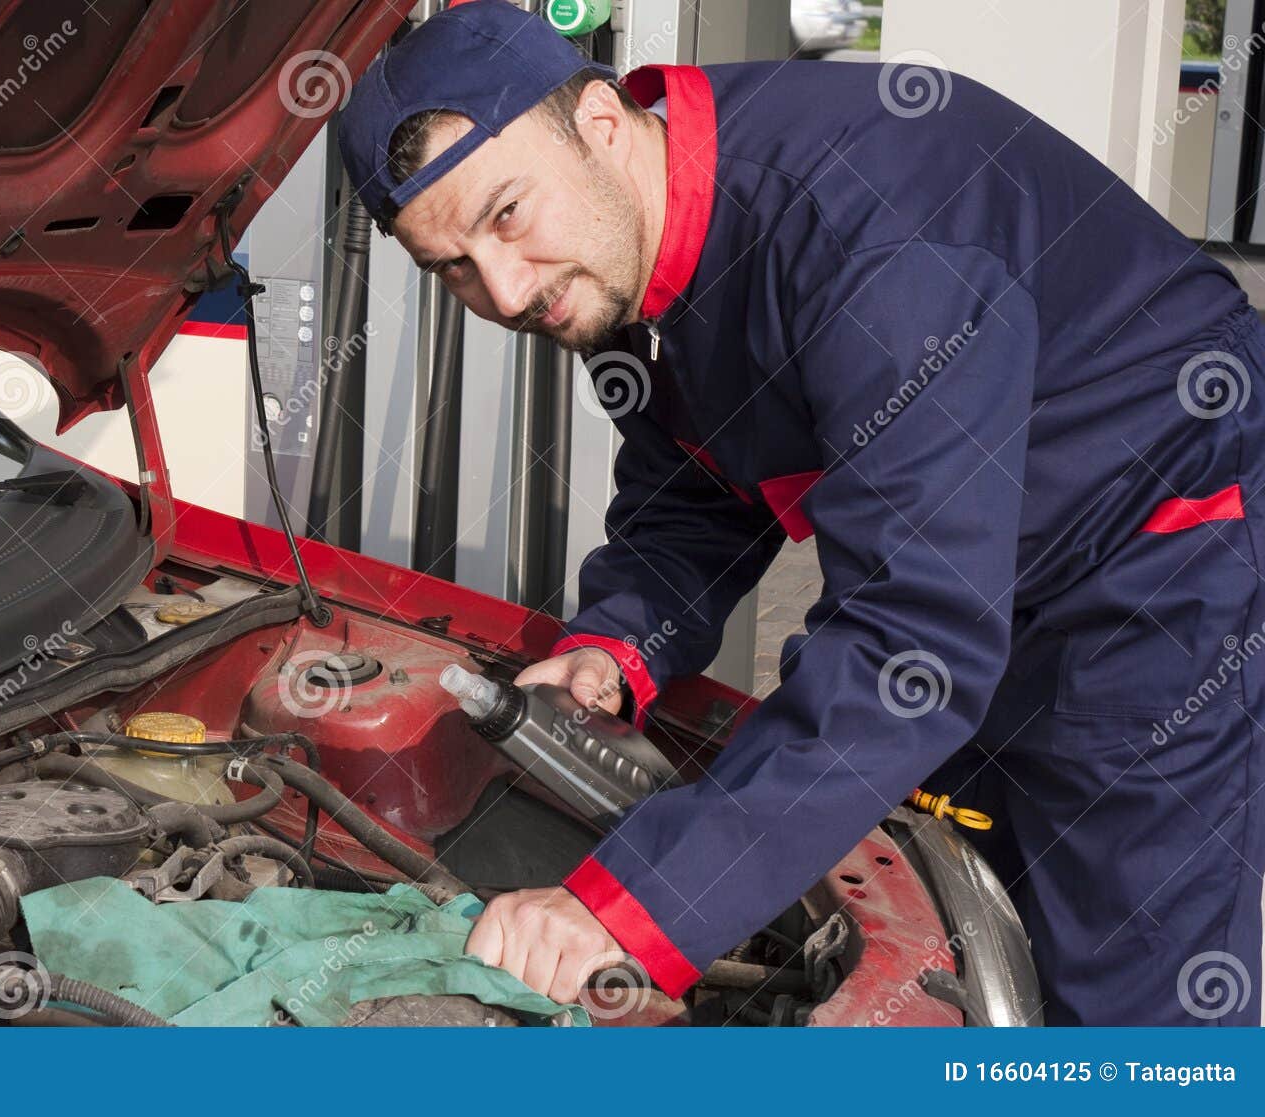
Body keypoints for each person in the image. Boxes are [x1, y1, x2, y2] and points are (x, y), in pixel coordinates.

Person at [337, 0, 1265, 1025]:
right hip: (983, 567)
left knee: (1125, 988)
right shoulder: (634, 240)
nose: (506, 292)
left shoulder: (868, 238)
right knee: (974, 939)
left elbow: (911, 641)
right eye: (452, 267)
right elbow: (701, 481)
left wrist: (633, 903)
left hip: (1160, 553)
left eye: (507, 214)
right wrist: (617, 641)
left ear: (599, 120)